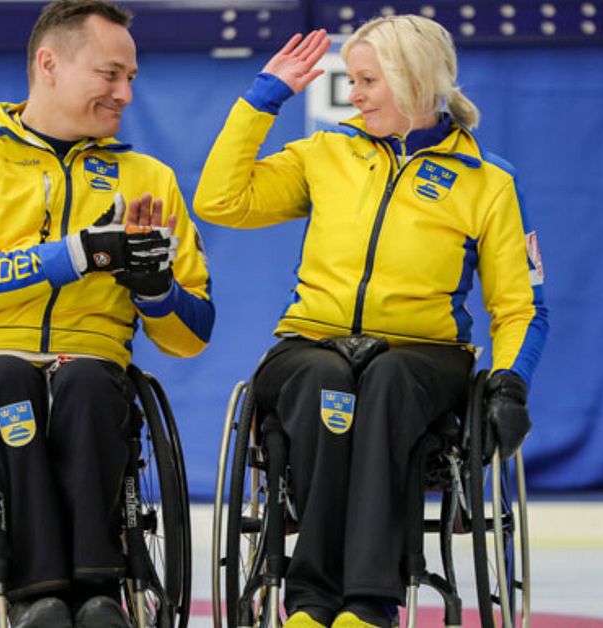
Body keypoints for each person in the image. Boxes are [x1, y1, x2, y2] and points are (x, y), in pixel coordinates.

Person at [194, 16, 547, 628]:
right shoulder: (326, 153)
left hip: (423, 356)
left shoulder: (487, 182)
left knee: (386, 382)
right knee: (326, 381)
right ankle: (311, 601)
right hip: (313, 344)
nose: (353, 95)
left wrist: (511, 382)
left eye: (366, 80)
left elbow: (520, 307)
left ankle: (368, 604)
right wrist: (263, 98)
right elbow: (221, 200)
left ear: (415, 79)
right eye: (351, 80)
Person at [0, 1, 213, 626]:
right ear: (49, 64)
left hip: (91, 360)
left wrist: (155, 289)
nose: (125, 93)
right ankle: (34, 594)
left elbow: (192, 336)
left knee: (89, 384)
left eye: (131, 77)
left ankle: (98, 592)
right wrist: (81, 254)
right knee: (11, 380)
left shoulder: (148, 176)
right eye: (109, 74)